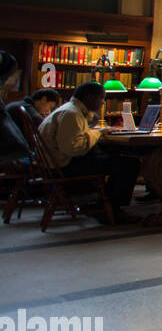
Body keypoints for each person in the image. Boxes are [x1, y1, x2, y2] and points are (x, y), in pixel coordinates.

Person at [38, 81, 142, 224]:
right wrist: (98, 133)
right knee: (128, 163)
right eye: (101, 99)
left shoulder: (70, 109)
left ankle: (101, 205)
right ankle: (112, 209)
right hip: (63, 166)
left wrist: (96, 133)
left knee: (115, 159)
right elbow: (74, 148)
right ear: (90, 98)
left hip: (56, 163)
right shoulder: (72, 114)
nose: (103, 103)